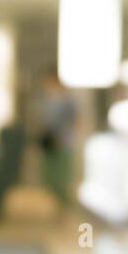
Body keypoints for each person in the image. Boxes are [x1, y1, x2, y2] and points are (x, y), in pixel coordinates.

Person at [36, 69, 78, 206]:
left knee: (63, 177)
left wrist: (63, 135)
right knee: (50, 176)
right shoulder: (46, 100)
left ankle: (64, 206)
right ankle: (56, 204)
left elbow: (75, 120)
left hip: (64, 143)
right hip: (49, 143)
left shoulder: (68, 100)